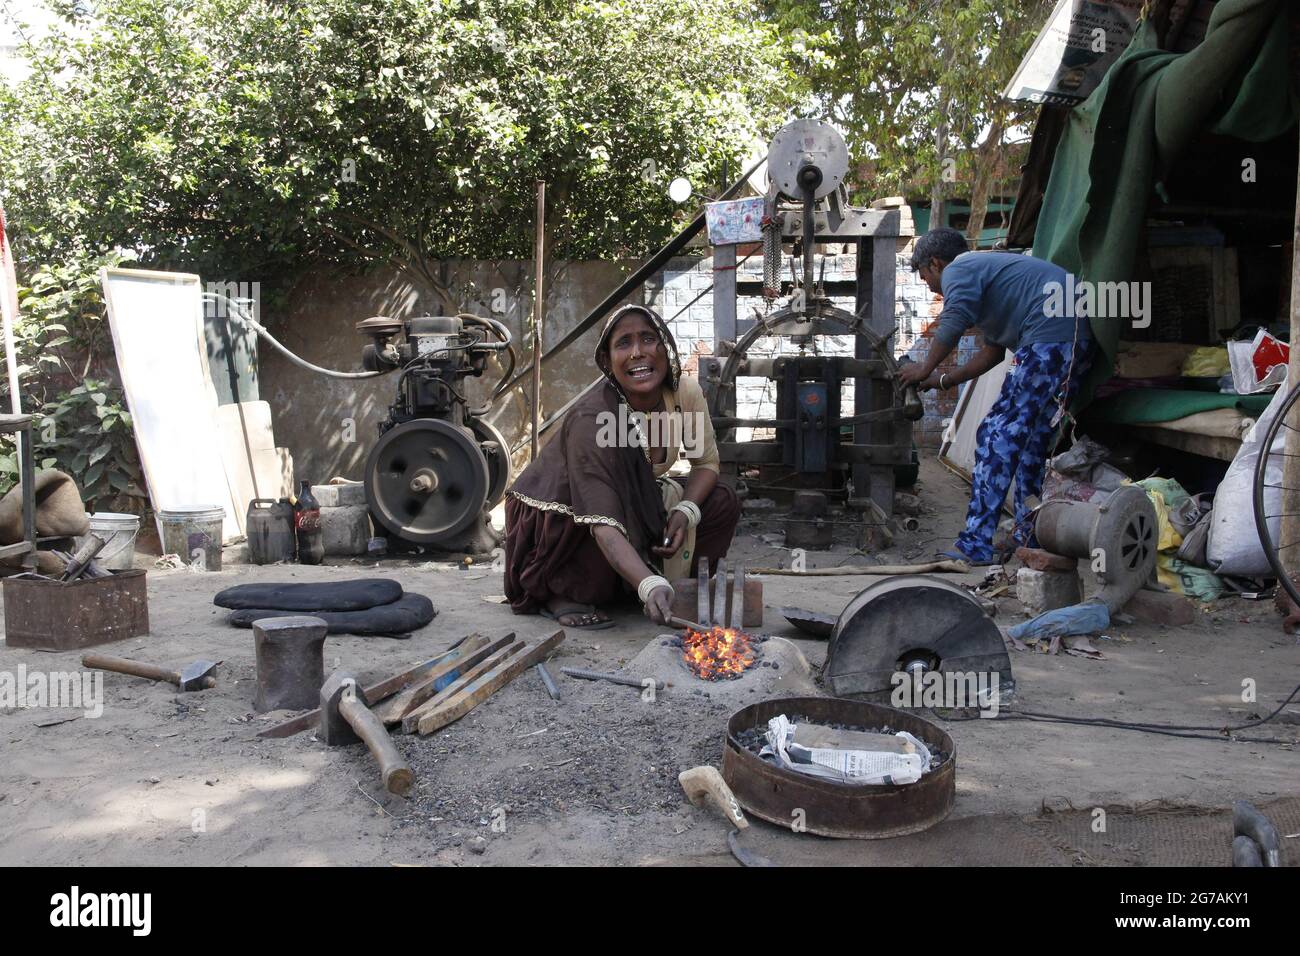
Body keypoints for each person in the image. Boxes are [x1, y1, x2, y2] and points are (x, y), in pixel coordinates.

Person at [504, 304, 740, 628]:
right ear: (608, 361)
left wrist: (685, 510)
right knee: (596, 535)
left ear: (665, 346)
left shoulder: (683, 393)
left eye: (648, 338)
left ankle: (650, 585)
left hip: (631, 502)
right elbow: (602, 521)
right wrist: (650, 584)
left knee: (722, 500)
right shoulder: (594, 418)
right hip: (566, 517)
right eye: (623, 343)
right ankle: (567, 591)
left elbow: (706, 462)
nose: (638, 353)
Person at [898, 228, 1092, 565]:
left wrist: (922, 366)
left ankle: (976, 544)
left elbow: (953, 321)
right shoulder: (989, 278)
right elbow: (991, 354)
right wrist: (940, 379)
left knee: (994, 435)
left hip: (1051, 341)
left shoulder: (960, 267)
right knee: (1031, 441)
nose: (927, 284)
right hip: (1071, 343)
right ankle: (1029, 533)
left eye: (924, 274)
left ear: (935, 263)